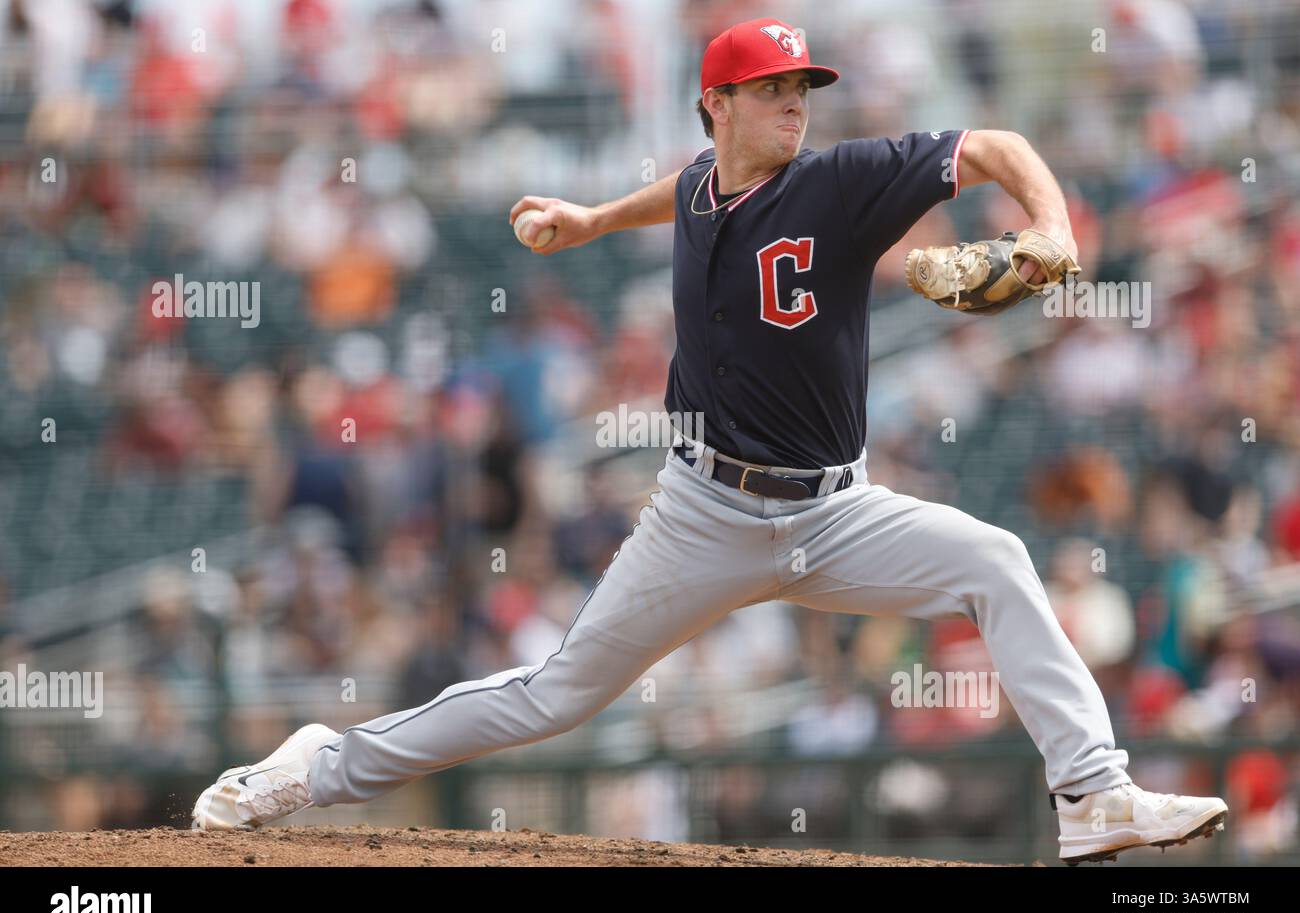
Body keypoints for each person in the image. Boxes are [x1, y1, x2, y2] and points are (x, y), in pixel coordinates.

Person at [193, 17, 1227, 864]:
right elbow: (682, 190)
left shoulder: (839, 182)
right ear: (717, 106)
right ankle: (316, 765)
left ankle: (1091, 792)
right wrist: (595, 219)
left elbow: (994, 146)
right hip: (705, 513)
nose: (793, 103)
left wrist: (1050, 226)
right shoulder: (699, 182)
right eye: (773, 88)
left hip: (836, 509)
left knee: (995, 559)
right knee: (552, 695)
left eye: (802, 87)